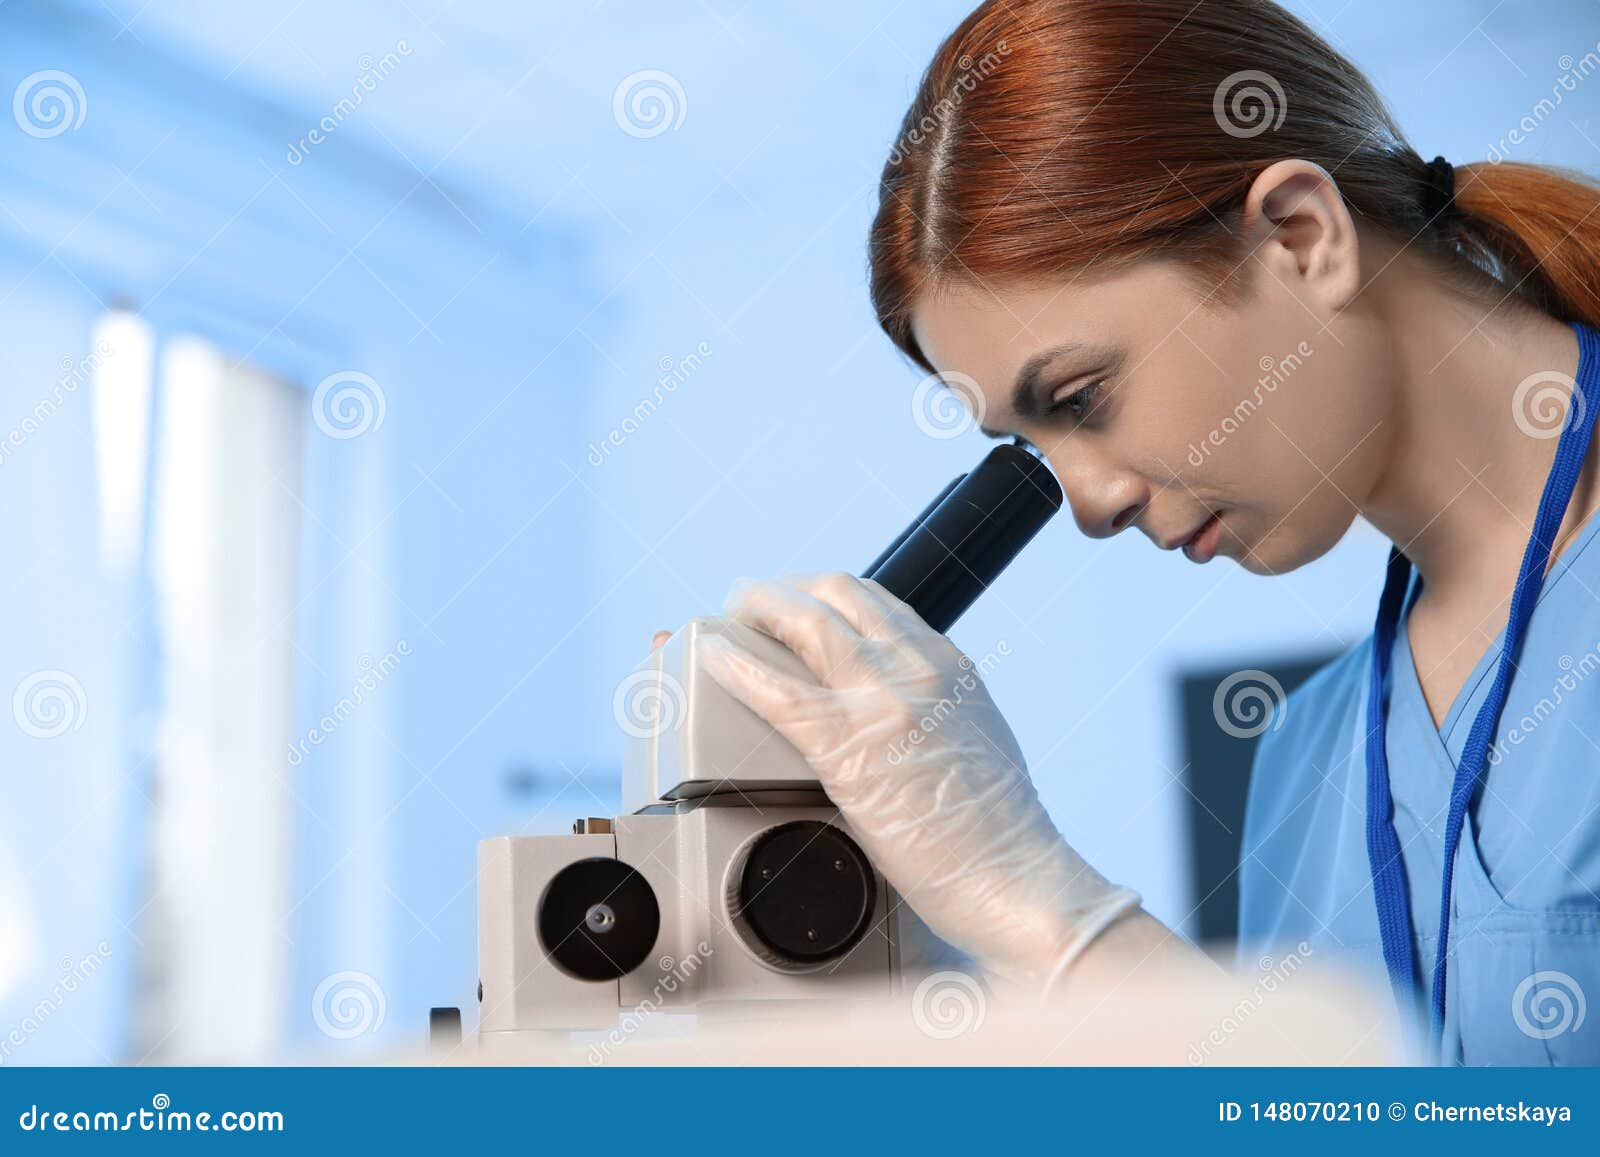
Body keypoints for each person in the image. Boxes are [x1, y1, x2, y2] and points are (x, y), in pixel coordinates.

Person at [676, 0, 1600, 1066]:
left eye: (1078, 394)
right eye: (1025, 444)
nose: (1087, 506)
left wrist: (1054, 913)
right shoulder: (1304, 761)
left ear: (1300, 238)